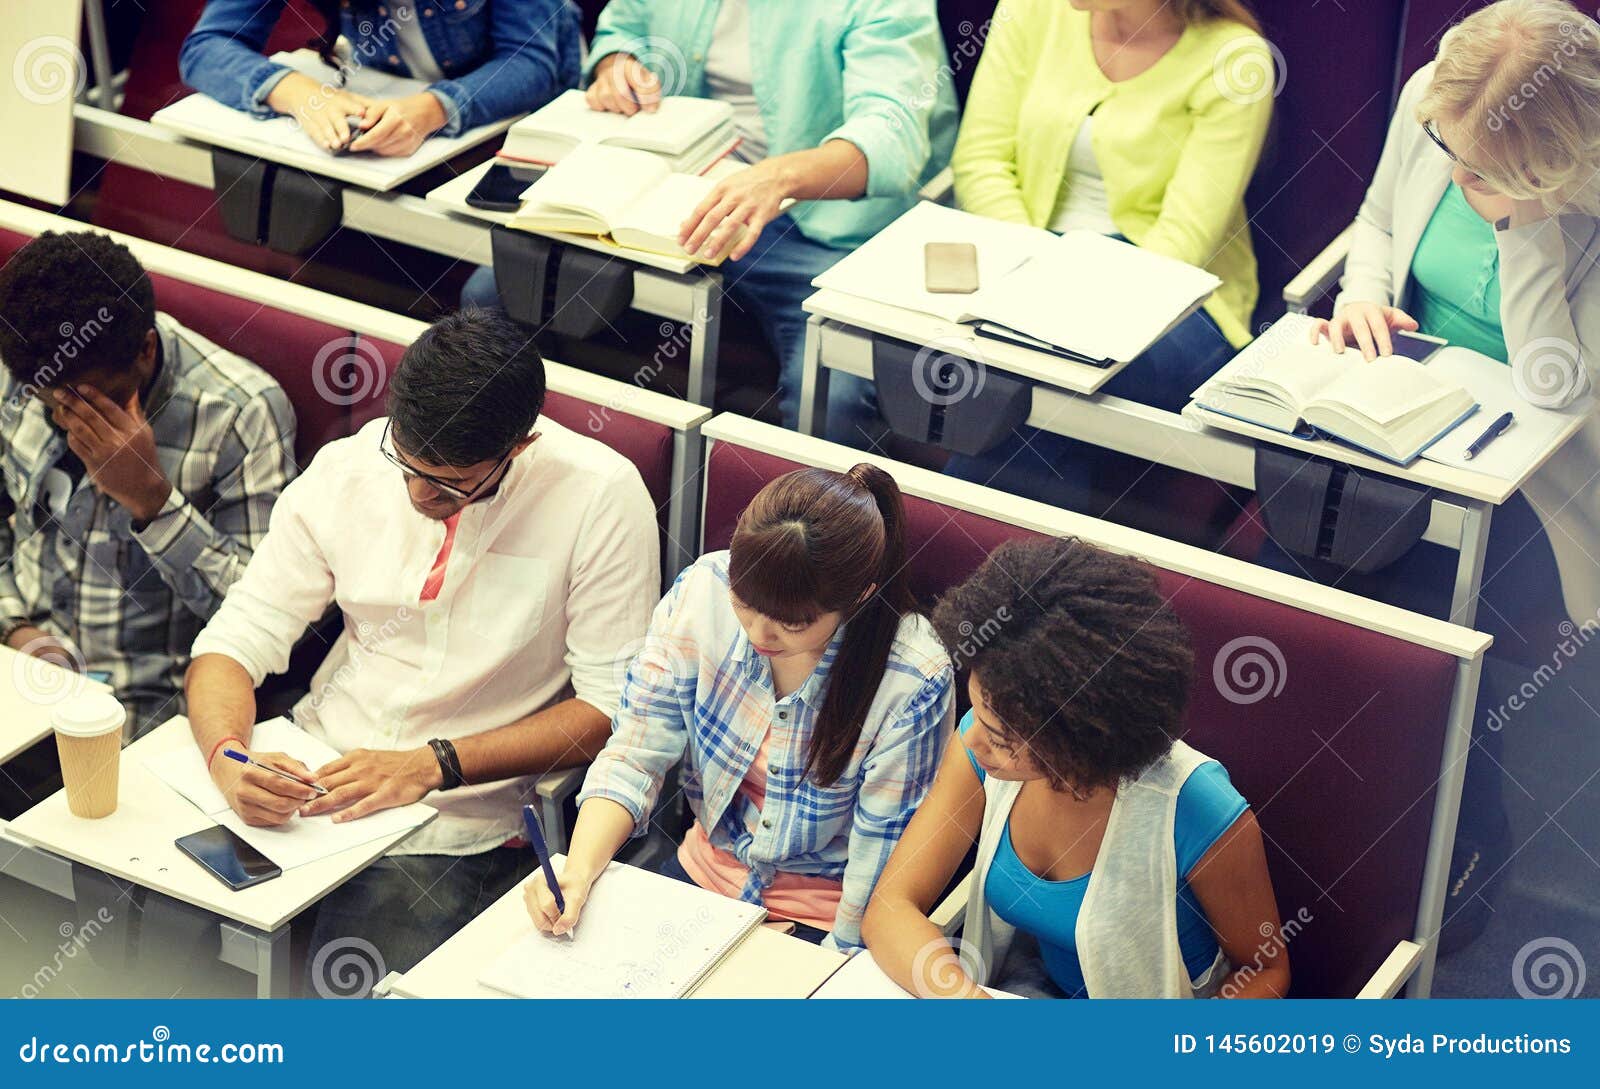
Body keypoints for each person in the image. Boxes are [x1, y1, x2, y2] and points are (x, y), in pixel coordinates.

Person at [184, 308, 659, 983]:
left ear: (518, 448)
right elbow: (232, 642)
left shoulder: (600, 498)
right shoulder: (349, 469)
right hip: (315, 775)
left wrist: (432, 764)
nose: (415, 493)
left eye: (444, 483)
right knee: (162, 929)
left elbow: (612, 710)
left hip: (459, 823)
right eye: (405, 462)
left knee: (351, 989)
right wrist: (226, 755)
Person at [1281, 0, 1600, 952]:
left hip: (1548, 480)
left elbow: (1560, 388)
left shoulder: (1556, 202)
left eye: (1480, 172)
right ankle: (1321, 829)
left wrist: (1527, 229)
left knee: (1408, 608)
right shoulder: (1439, 102)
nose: (1454, 178)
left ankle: (1457, 845)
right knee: (1309, 565)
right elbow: (1376, 222)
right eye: (1448, 151)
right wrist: (1367, 296)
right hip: (1406, 412)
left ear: (1554, 165)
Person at [461, 0, 959, 444]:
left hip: (814, 220)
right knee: (493, 295)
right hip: (665, 193)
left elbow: (893, 135)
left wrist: (778, 178)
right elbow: (622, 29)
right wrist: (618, 67)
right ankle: (507, 471)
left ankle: (794, 538)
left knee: (835, 391)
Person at [525, 464, 953, 951]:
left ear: (858, 597)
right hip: (701, 884)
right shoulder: (701, 590)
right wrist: (577, 872)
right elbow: (634, 755)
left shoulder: (912, 677)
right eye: (744, 601)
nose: (758, 634)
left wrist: (815, 965)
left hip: (824, 922)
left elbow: (881, 873)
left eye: (792, 624)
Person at [863, 538, 1287, 998]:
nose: (971, 738)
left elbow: (1266, 971)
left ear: (1076, 741)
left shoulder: (1197, 808)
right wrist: (968, 1003)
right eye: (977, 711)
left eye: (1002, 736)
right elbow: (890, 908)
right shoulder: (981, 747)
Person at [942, 0, 1273, 510]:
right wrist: (1031, 275)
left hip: (1177, 306)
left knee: (1030, 382)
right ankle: (1022, 573)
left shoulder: (1235, 59)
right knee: (1032, 388)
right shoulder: (1030, 11)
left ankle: (948, 547)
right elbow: (979, 157)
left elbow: (1180, 246)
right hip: (1019, 264)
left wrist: (1048, 310)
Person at [0, 231, 296, 734]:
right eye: (56, 407)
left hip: (144, 710)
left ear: (145, 350)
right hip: (17, 662)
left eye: (99, 403)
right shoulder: (19, 363)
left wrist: (152, 501)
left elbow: (264, 621)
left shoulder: (240, 412)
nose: (75, 427)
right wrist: (17, 629)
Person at [179, 0, 581, 155]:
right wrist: (292, 89)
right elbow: (206, 47)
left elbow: (530, 62)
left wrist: (433, 108)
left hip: (527, 129)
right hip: (394, 124)